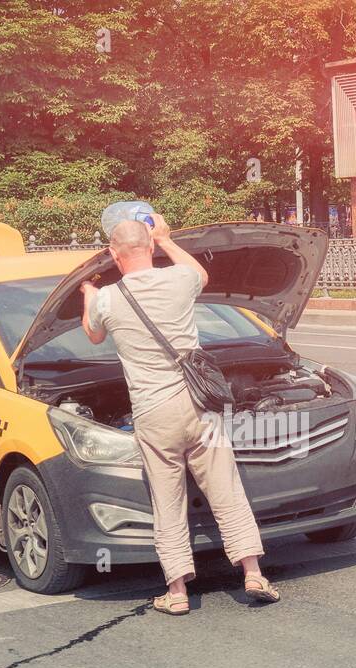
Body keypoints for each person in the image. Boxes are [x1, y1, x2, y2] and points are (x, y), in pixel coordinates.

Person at [80, 214, 279, 616]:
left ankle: (176, 592)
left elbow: (93, 333)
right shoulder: (179, 279)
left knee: (167, 501)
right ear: (149, 248)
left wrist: (88, 294)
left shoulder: (108, 299)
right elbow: (200, 274)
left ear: (114, 255)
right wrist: (168, 239)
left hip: (154, 412)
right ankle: (253, 574)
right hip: (199, 404)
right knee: (227, 490)